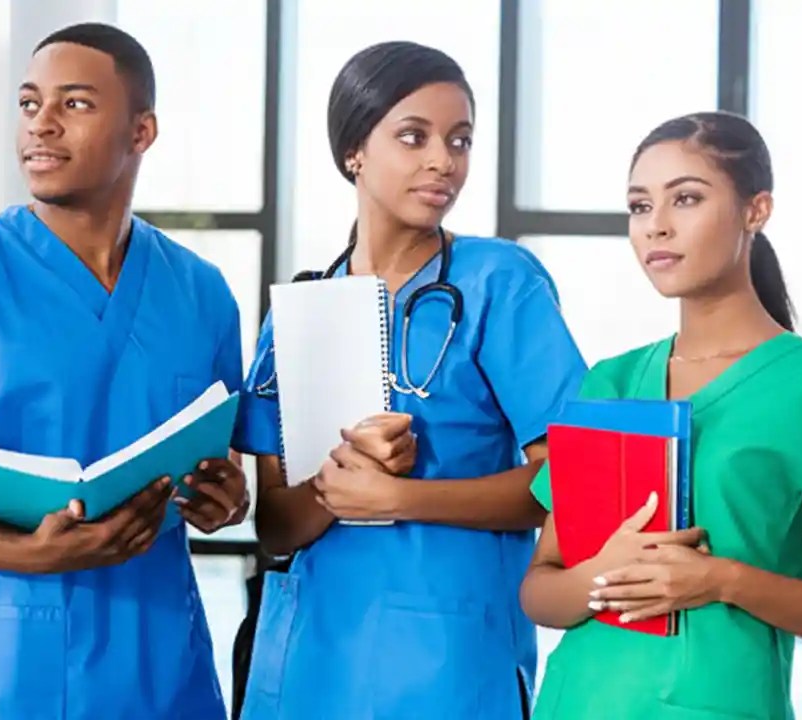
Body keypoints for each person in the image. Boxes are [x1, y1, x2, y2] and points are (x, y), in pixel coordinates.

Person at [0, 23, 249, 719]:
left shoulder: (201, 294)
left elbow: (222, 469)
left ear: (141, 130)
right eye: (30, 104)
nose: (42, 125)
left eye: (76, 104)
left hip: (162, 674)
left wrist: (225, 499)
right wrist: (28, 554)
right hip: (2, 679)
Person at [520, 111, 802, 719]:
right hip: (576, 702)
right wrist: (604, 574)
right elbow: (540, 591)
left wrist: (721, 581)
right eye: (640, 207)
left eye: (685, 199)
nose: (656, 227)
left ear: (756, 210)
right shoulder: (610, 381)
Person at [232, 41, 588, 720]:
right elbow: (277, 525)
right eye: (413, 136)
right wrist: (341, 483)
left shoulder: (496, 283)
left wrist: (399, 495)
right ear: (353, 152)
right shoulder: (304, 311)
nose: (443, 160)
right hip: (313, 657)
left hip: (450, 658)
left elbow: (565, 483)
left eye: (459, 140)